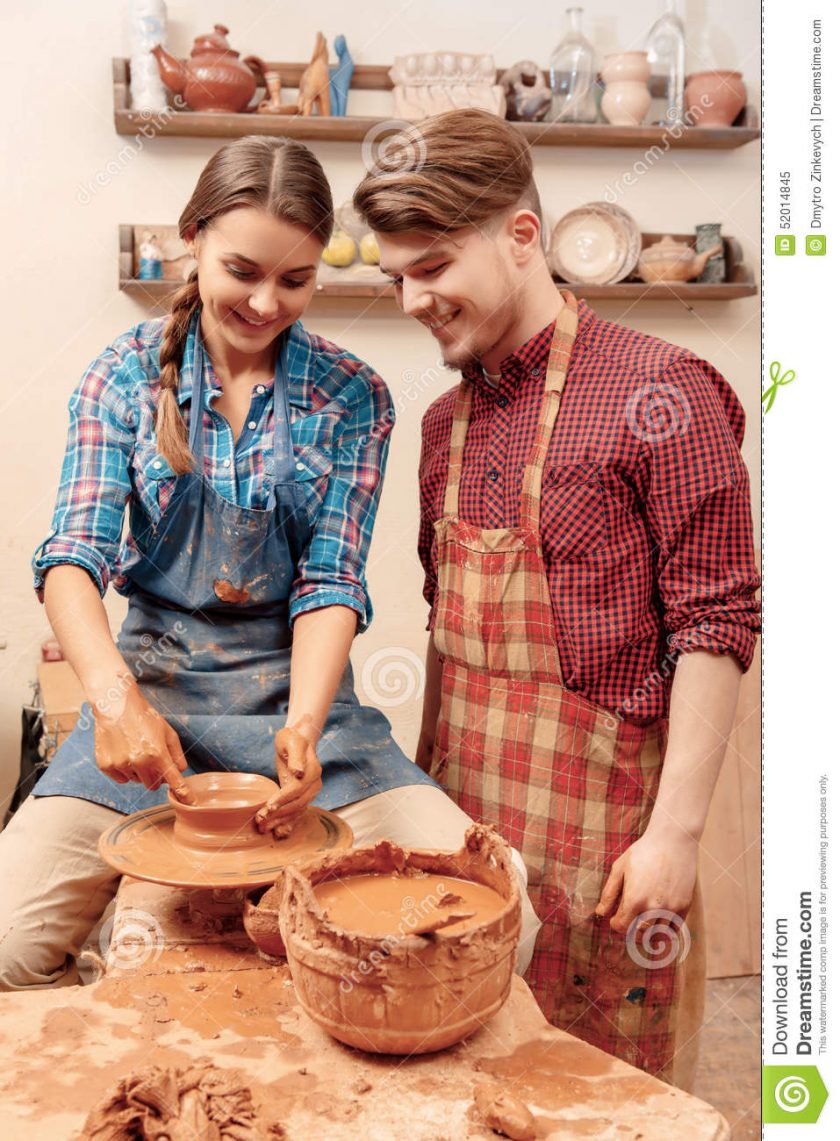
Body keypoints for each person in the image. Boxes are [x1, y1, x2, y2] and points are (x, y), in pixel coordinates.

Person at [0, 134, 539, 991]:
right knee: (7, 943)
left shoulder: (352, 392)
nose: (264, 301)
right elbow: (70, 558)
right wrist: (112, 702)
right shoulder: (124, 375)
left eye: (295, 280)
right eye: (241, 269)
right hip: (151, 698)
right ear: (194, 239)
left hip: (302, 704)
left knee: (502, 919)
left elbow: (330, 581)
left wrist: (304, 726)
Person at [353, 108, 761, 1088]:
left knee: (598, 1092)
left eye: (435, 266)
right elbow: (445, 622)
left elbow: (715, 624)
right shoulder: (444, 424)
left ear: (522, 236)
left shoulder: (663, 388)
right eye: (396, 275)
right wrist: (416, 782)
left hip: (610, 847)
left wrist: (676, 836)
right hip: (467, 825)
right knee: (468, 1076)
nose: (412, 298)